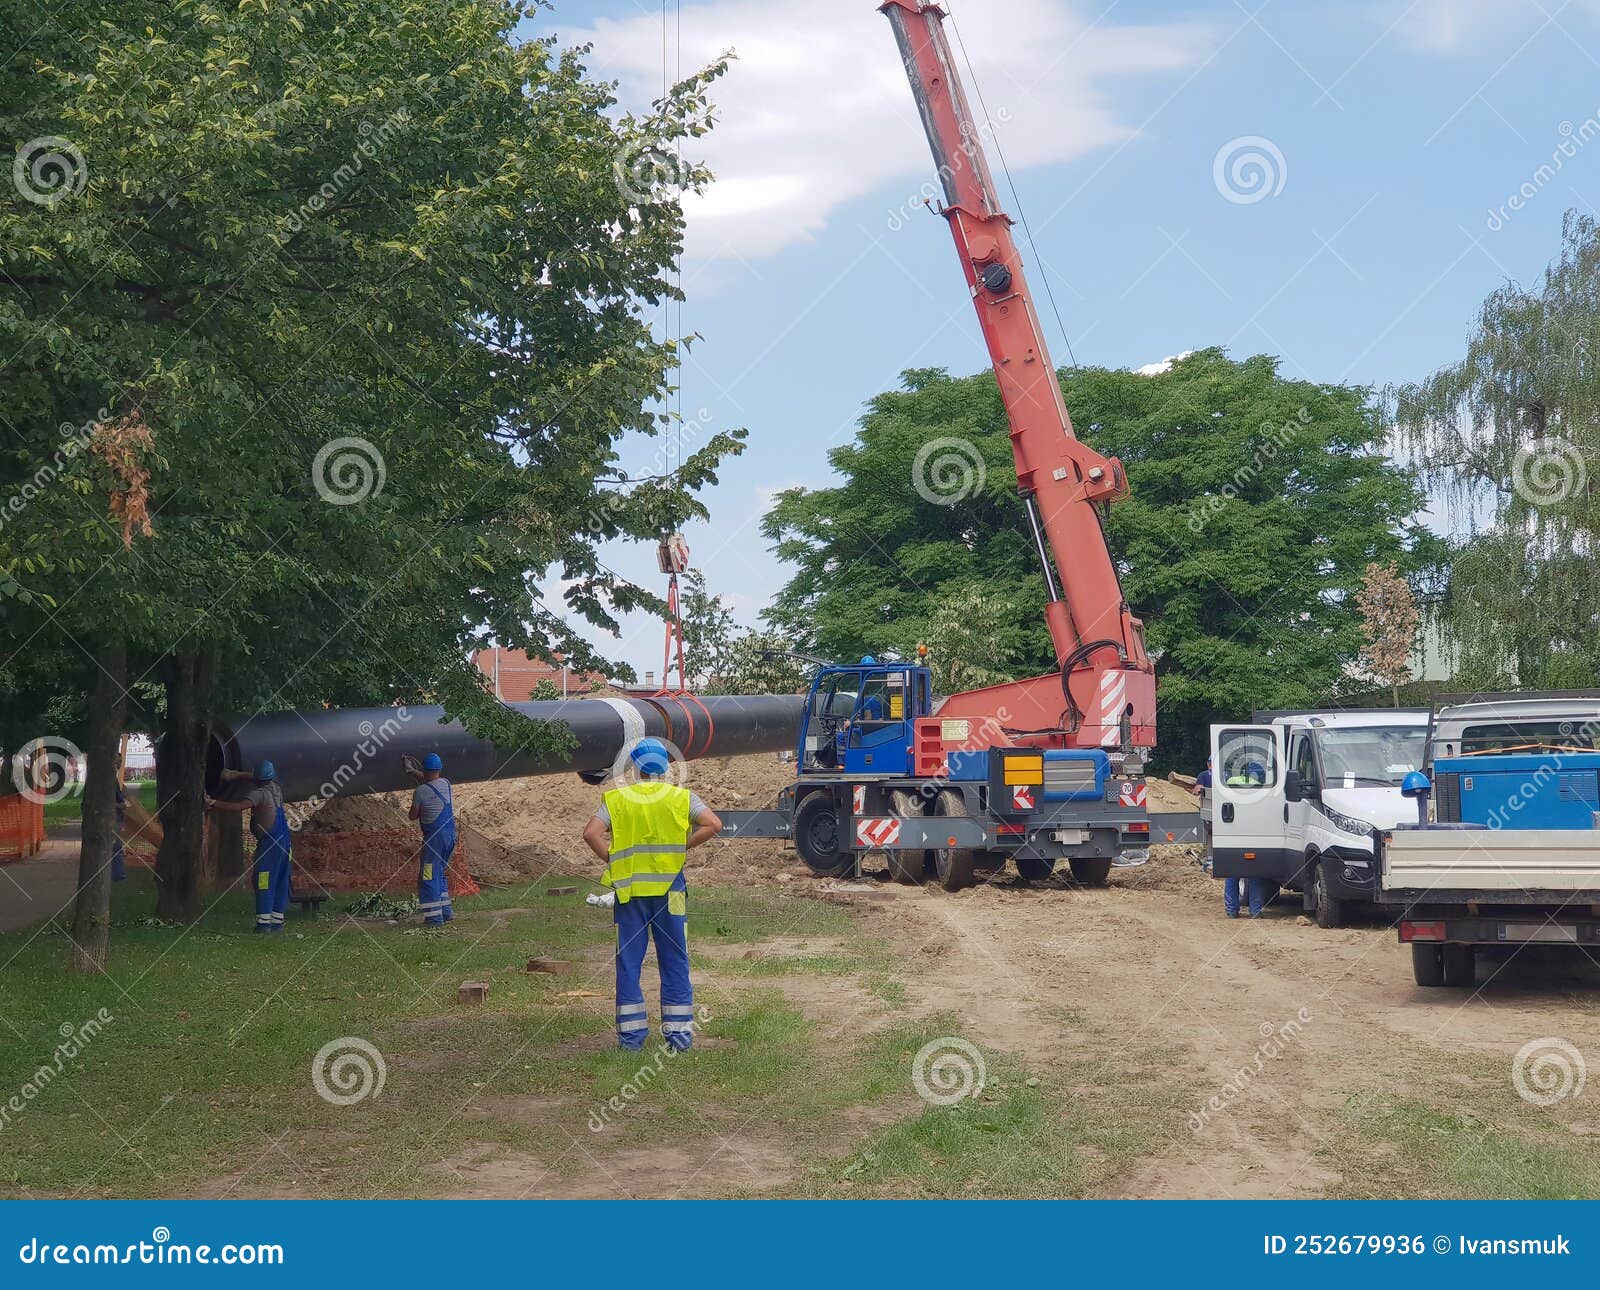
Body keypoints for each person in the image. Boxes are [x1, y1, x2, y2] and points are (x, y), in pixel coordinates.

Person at [581, 738, 722, 1051]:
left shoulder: (618, 800)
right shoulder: (682, 798)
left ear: (636, 769)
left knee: (629, 965)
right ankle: (679, 1039)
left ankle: (631, 1040)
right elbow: (713, 824)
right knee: (675, 961)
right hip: (671, 892)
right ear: (664, 768)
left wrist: (613, 858)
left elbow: (590, 834)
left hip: (630, 893)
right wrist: (681, 847)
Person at [209, 761, 293, 933]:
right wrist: (233, 774)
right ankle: (277, 922)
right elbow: (255, 776)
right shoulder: (276, 787)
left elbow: (238, 806)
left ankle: (263, 925)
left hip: (270, 844)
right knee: (280, 881)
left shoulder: (259, 795)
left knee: (263, 881)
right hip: (286, 843)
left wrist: (212, 802)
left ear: (257, 779)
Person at [406, 752, 455, 926]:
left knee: (428, 875)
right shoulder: (446, 784)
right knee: (439, 872)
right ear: (439, 769)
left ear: (424, 770)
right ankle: (445, 912)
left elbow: (413, 815)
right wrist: (413, 772)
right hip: (450, 837)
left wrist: (411, 771)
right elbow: (430, 781)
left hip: (434, 840)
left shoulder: (420, 792)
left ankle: (434, 917)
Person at [1221, 758, 1269, 919]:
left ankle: (1231, 911)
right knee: (1254, 876)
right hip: (1253, 837)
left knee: (1232, 875)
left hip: (1231, 836)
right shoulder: (1262, 790)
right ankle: (1255, 911)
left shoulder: (1231, 781)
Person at [1191, 757, 1214, 856]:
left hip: (1209, 808)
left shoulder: (1203, 775)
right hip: (1225, 809)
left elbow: (1197, 791)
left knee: (1209, 832)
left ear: (1208, 763)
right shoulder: (1224, 775)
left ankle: (1209, 854)